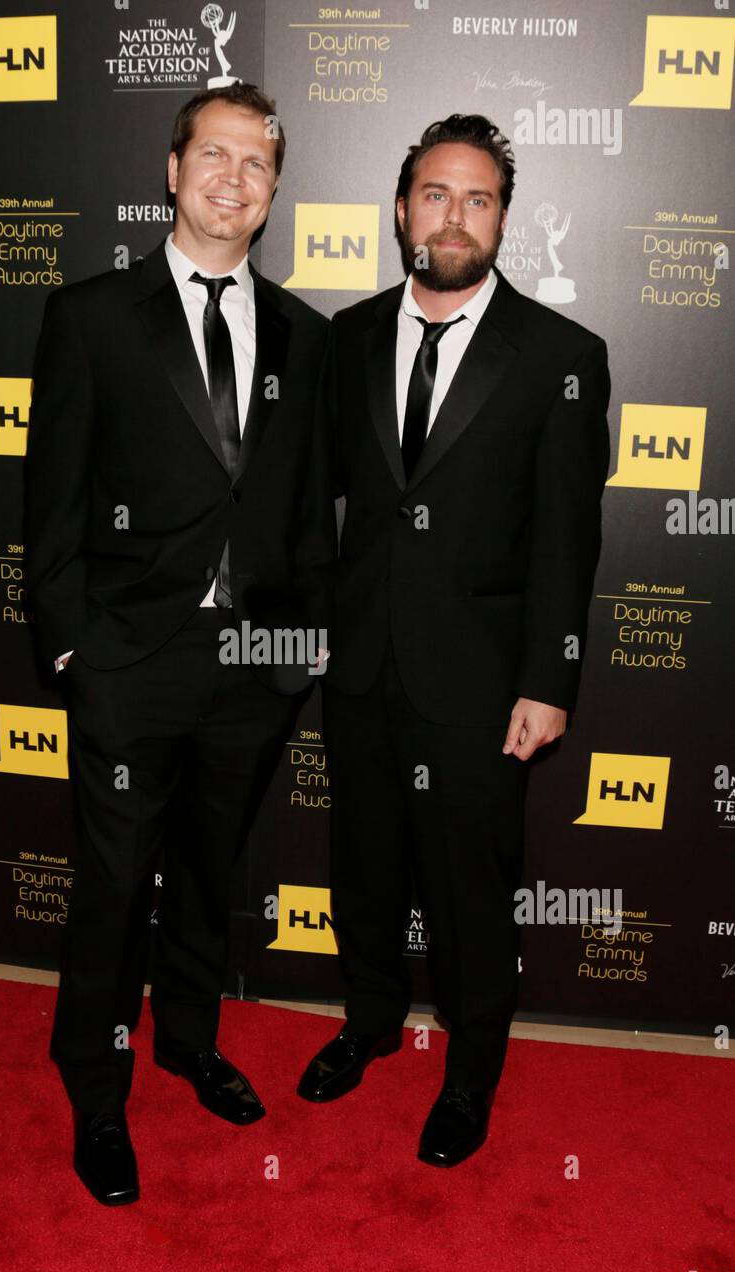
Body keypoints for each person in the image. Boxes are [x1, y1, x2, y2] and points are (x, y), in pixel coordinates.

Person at [23, 82, 333, 1205]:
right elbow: (48, 504)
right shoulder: (93, 315)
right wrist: (71, 651)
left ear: (273, 190)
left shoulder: (307, 334)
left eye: (256, 163)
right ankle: (96, 1092)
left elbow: (304, 515)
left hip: (253, 674)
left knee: (209, 873)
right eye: (214, 155)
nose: (232, 178)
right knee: (112, 890)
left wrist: (296, 653)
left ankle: (189, 1044)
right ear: (171, 169)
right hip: (125, 662)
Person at [297, 114, 611, 1167]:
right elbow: (310, 510)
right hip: (359, 670)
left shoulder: (561, 358)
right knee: (366, 867)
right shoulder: (343, 340)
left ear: (504, 220)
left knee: (472, 892)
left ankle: (471, 1073)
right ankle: (373, 1023)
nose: (455, 216)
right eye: (437, 193)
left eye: (479, 199)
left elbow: (570, 540)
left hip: (482, 686)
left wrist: (549, 678)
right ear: (402, 208)